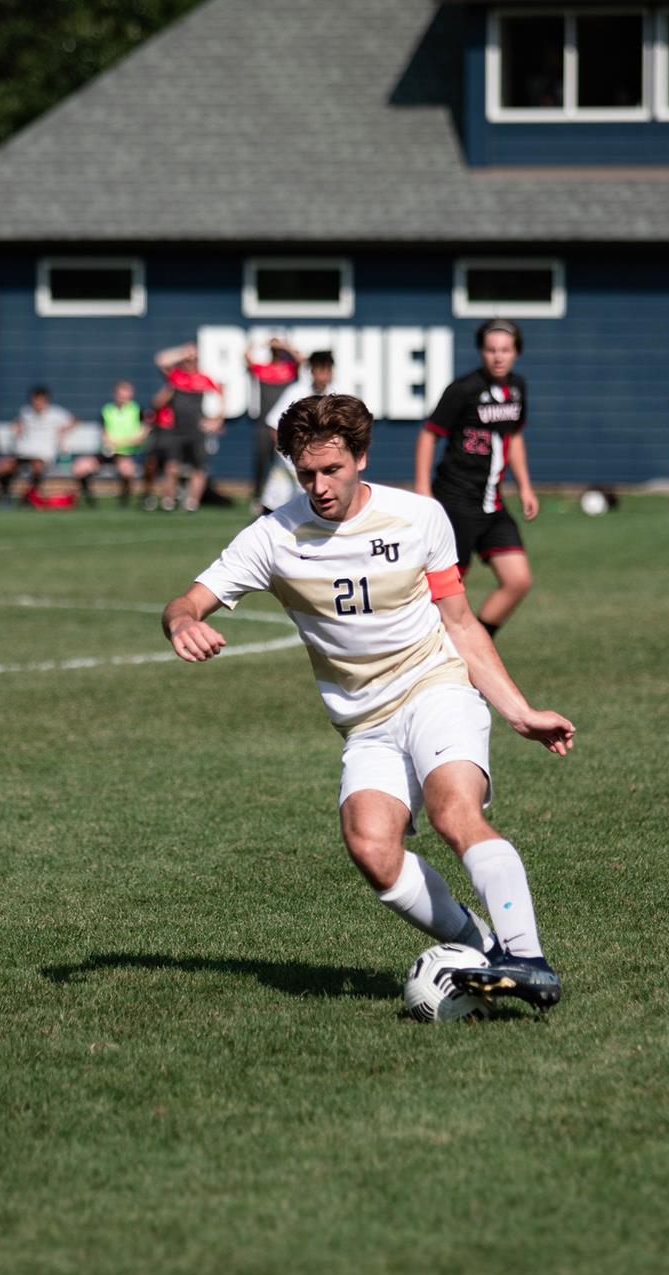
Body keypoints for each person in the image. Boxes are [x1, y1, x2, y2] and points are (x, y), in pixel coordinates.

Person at [161, 393, 575, 1011]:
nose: (320, 486)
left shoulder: (420, 518)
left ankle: (529, 958)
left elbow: (461, 624)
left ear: (361, 457)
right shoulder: (272, 537)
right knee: (371, 847)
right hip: (364, 720)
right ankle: (484, 950)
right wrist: (181, 623)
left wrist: (519, 711)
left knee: (452, 812)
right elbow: (187, 600)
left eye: (333, 470)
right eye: (307, 474)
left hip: (436, 686)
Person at [412, 318, 540, 638]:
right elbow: (429, 435)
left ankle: (475, 647)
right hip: (456, 502)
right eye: (491, 350)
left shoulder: (518, 388)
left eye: (506, 350)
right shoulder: (463, 389)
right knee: (446, 590)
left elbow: (515, 438)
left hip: (492, 505)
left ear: (516, 353)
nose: (498, 356)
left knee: (518, 580)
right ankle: (424, 653)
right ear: (481, 352)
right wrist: (423, 489)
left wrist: (525, 487)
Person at [263, 350, 347, 512]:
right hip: (290, 464)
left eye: (327, 370)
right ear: (312, 370)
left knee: (315, 507)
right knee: (273, 508)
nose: (322, 375)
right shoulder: (296, 392)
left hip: (322, 464)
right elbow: (273, 424)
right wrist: (288, 452)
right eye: (319, 370)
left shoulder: (337, 397)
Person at [153, 344, 222, 512]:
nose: (190, 362)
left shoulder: (204, 379)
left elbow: (219, 401)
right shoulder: (176, 376)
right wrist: (183, 352)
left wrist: (217, 420)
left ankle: (192, 502)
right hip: (177, 429)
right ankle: (168, 500)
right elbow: (160, 360)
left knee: (198, 466)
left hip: (197, 430)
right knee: (172, 465)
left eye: (193, 359)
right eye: (187, 360)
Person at [245, 336, 300, 500]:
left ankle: (293, 494)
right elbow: (246, 356)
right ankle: (257, 494)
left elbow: (301, 360)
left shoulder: (289, 368)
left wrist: (285, 345)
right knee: (261, 458)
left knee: (289, 459)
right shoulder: (263, 369)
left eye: (278, 351)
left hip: (286, 423)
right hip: (264, 423)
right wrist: (263, 343)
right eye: (274, 351)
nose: (277, 353)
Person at [11, 386, 76, 505]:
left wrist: (62, 432)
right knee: (5, 466)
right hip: (24, 452)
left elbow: (74, 420)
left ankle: (29, 495)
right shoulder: (26, 412)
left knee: (37, 466)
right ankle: (7, 497)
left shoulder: (55, 413)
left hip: (43, 455)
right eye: (35, 400)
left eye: (41, 400)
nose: (38, 403)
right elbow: (17, 423)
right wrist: (17, 428)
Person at [86, 380, 145, 507]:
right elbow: (104, 435)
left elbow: (140, 438)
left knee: (127, 471)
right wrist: (110, 443)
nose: (123, 397)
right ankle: (89, 499)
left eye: (126, 393)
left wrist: (118, 443)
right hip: (107, 452)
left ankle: (125, 499)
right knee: (80, 468)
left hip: (127, 453)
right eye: (120, 393)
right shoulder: (107, 410)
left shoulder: (137, 410)